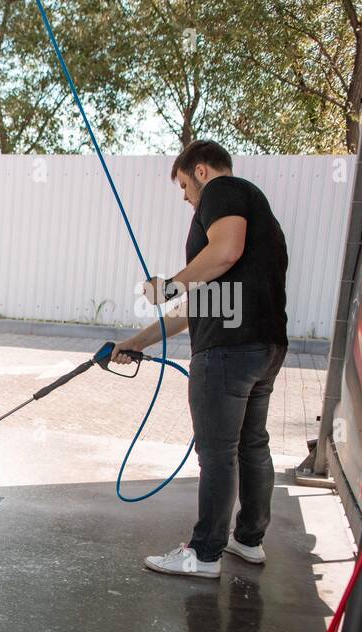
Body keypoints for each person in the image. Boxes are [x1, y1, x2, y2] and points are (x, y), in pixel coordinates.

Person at [112, 139, 289, 579]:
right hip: (262, 348)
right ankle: (248, 540)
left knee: (217, 454)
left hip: (227, 353)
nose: (187, 198)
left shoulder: (223, 192)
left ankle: (205, 554)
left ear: (202, 171)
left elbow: (224, 250)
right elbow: (200, 308)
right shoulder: (254, 209)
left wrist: (169, 283)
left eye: (185, 186)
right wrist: (139, 340)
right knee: (251, 445)